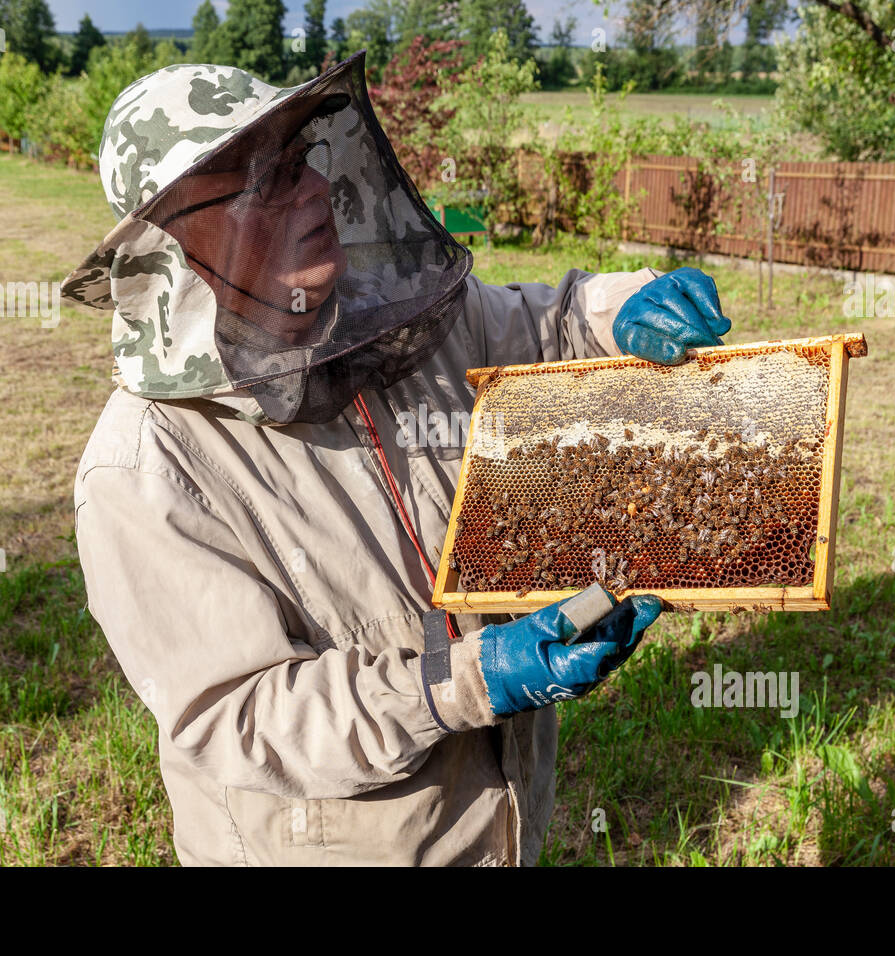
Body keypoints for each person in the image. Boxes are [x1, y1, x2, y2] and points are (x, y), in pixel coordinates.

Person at [61, 52, 733, 866]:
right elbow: (239, 714)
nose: (314, 189)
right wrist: (464, 680)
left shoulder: (391, 318)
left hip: (498, 817)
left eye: (303, 157)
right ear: (177, 239)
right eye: (264, 179)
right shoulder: (144, 468)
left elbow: (541, 327)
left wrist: (620, 307)